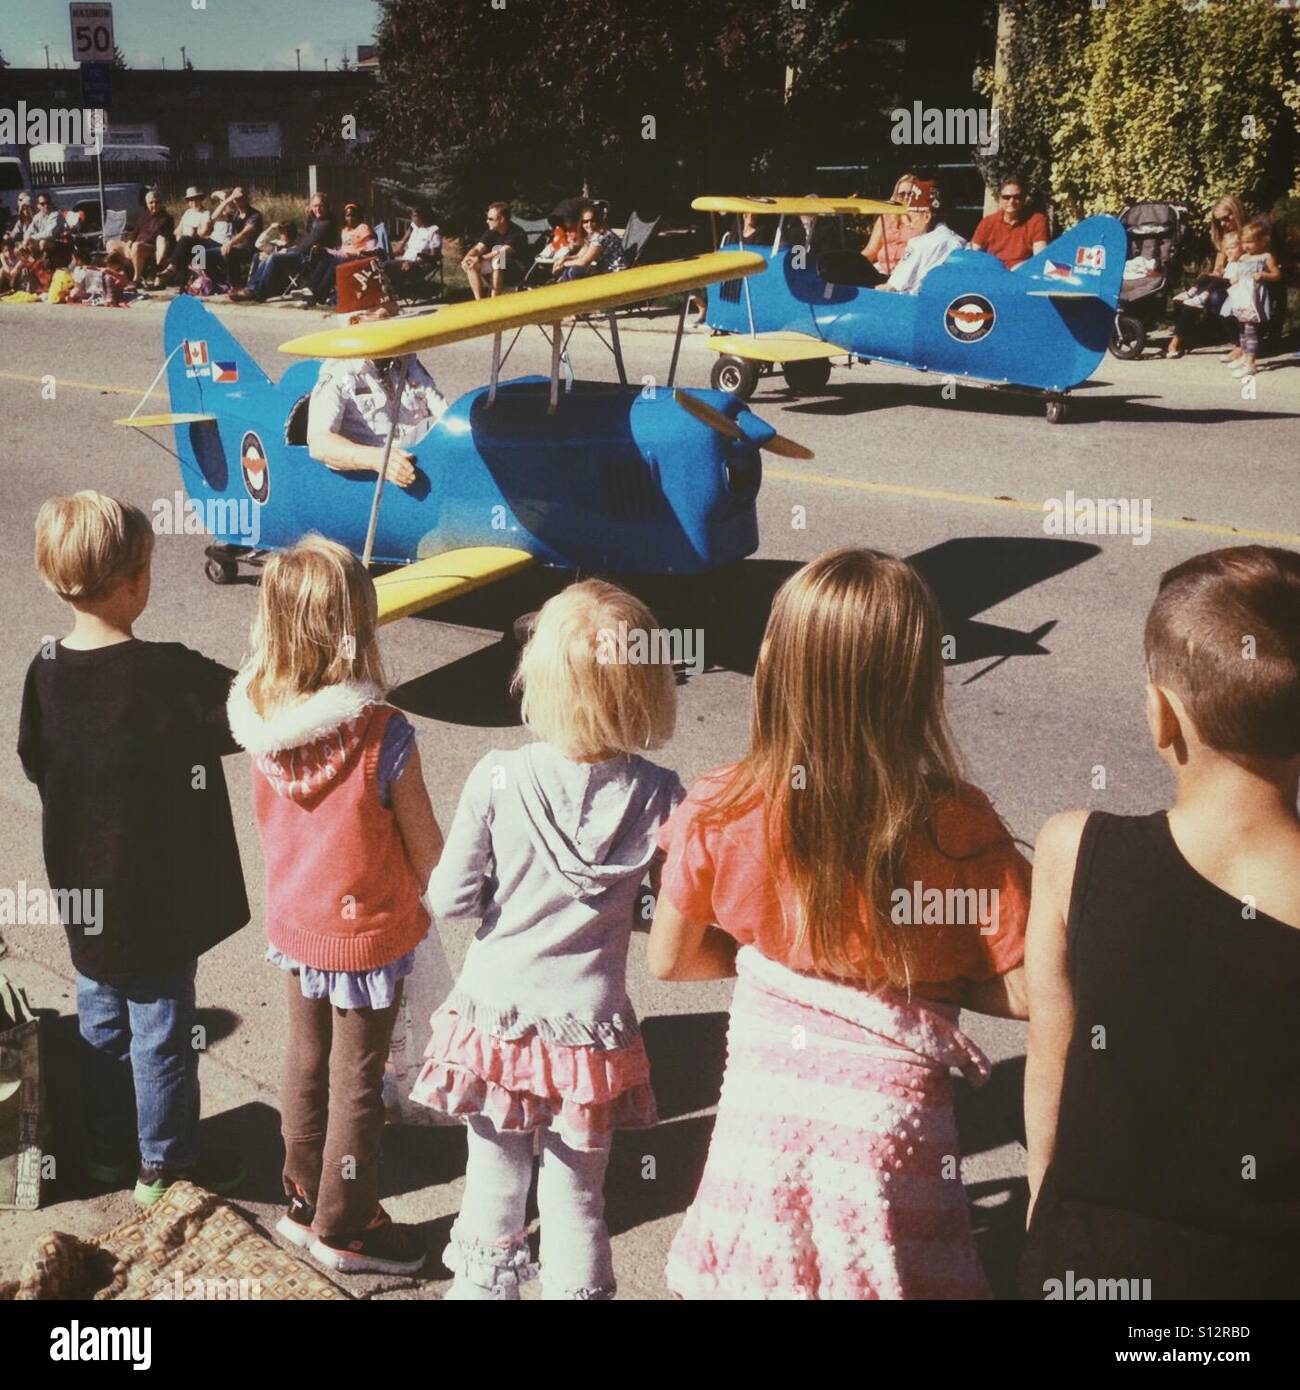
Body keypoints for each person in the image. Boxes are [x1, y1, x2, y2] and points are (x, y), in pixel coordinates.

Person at [649, 548, 1031, 1299]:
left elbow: (671, 959)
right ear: (921, 680)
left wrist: (783, 961)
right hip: (894, 1133)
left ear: (774, 665)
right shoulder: (959, 822)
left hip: (769, 1120)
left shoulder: (722, 804)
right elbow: (1024, 992)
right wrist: (924, 977)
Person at [1022, 546, 1300, 1301]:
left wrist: (1042, 1226)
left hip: (1089, 1263)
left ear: (1161, 715)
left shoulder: (1074, 850)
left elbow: (1051, 1068)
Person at [411, 580, 682, 1299]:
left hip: (496, 1018)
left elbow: (451, 898)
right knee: (578, 1203)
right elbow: (671, 904)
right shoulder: (661, 791)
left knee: (493, 1189)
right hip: (590, 1030)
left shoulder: (499, 774)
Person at [18, 492, 249, 1205]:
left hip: (84, 893)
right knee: (164, 1033)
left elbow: (35, 758)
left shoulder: (45, 667)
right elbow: (247, 713)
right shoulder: (169, 673)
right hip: (158, 899)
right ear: (133, 584)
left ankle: (112, 1154)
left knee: (102, 1026)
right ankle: (167, 1166)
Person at [226, 536, 443, 1275]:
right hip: (370, 938)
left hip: (296, 922)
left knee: (306, 1058)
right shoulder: (383, 733)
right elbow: (429, 851)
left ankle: (300, 1196)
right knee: (360, 1082)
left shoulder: (260, 719)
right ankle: (346, 1225)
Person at [306, 260, 448, 491]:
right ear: (355, 323)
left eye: (396, 314)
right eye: (385, 317)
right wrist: (378, 460)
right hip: (374, 485)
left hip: (423, 468)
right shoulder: (339, 373)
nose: (396, 324)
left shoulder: (406, 361)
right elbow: (319, 442)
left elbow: (443, 414)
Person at [1164, 195, 1249, 359]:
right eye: (1219, 221)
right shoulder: (1226, 236)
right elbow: (1220, 264)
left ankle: (1240, 344)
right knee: (1198, 293)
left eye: (1225, 218)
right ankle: (1176, 340)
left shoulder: (1248, 234)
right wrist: (1217, 271)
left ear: (1236, 212)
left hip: (1242, 281)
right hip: (1226, 279)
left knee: (1213, 295)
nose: (1223, 224)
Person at [818, 172, 926, 287]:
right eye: (901, 194)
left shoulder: (922, 221)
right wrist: (854, 262)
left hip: (905, 275)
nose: (905, 198)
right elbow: (871, 250)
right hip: (881, 272)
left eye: (910, 194)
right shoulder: (885, 218)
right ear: (895, 196)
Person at [230, 191, 338, 302]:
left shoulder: (326, 224)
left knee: (274, 257)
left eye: (321, 206)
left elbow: (308, 244)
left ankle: (258, 292)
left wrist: (289, 249)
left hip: (308, 259)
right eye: (315, 206)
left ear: (326, 206)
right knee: (270, 256)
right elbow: (308, 234)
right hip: (304, 254)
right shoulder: (319, 220)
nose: (318, 209)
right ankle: (250, 288)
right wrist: (311, 215)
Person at [1219, 217, 1281, 381]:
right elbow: (1237, 273)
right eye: (1244, 242)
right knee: (1241, 329)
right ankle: (1244, 357)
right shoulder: (1243, 257)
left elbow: (1277, 274)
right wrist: (1235, 278)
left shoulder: (1265, 257)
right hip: (1241, 296)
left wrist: (1264, 275)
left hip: (1254, 298)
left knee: (1250, 331)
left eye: (1250, 242)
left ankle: (1251, 363)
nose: (1246, 246)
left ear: (1262, 241)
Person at [876, 181, 967, 294]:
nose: (909, 223)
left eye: (909, 217)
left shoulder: (918, 245)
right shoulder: (960, 242)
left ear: (926, 216)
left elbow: (891, 287)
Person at [306, 201, 378, 304]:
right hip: (344, 259)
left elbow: (373, 249)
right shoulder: (345, 231)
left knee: (335, 262)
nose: (350, 218)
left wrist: (357, 254)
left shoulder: (363, 228)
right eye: (347, 215)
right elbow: (342, 251)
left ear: (359, 216)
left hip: (359, 260)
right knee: (326, 258)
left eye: (353, 215)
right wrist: (325, 249)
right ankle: (311, 289)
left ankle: (319, 294)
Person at [970, 176, 1048, 269]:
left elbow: (1039, 258)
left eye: (1017, 197)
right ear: (999, 199)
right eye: (1006, 197)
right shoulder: (988, 222)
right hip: (992, 272)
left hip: (1020, 273)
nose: (1011, 201)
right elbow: (974, 253)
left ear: (1023, 199)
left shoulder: (1037, 221)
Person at [461, 201, 529, 299]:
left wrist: (479, 258)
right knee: (471, 264)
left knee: (497, 258)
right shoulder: (492, 231)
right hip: (498, 267)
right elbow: (478, 248)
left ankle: (494, 299)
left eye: (490, 219)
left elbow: (502, 252)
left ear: (501, 219)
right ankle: (479, 301)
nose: (487, 221)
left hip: (518, 270)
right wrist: (467, 259)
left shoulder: (517, 233)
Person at [108, 189, 175, 285]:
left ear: (161, 203)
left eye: (157, 202)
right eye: (151, 203)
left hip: (150, 249)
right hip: (135, 247)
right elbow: (135, 232)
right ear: (147, 204)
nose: (154, 205)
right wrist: (129, 242)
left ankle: (136, 279)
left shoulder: (166, 218)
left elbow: (163, 239)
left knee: (137, 246)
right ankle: (119, 275)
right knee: (111, 244)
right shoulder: (144, 216)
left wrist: (137, 244)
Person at [150, 185, 212, 287]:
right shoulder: (188, 213)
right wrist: (180, 235)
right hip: (183, 242)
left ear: (201, 199)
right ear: (188, 202)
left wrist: (192, 234)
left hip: (197, 242)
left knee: (185, 239)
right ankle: (161, 279)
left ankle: (171, 268)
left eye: (196, 199)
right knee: (166, 240)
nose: (194, 202)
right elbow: (177, 231)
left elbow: (205, 232)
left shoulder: (205, 213)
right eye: (191, 200)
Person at [381, 203, 444, 293]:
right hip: (406, 260)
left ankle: (396, 292)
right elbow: (401, 244)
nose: (412, 218)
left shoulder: (434, 231)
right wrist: (389, 253)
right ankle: (394, 291)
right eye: (411, 215)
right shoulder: (413, 227)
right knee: (379, 264)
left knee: (385, 266)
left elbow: (433, 257)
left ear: (423, 216)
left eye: (414, 216)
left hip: (420, 264)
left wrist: (413, 263)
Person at [555, 202, 625, 280]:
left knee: (574, 271)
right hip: (605, 269)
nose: (589, 224)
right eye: (586, 221)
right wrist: (563, 259)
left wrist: (563, 265)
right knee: (570, 271)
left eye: (593, 221)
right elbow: (579, 256)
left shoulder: (601, 236)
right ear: (581, 223)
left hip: (617, 271)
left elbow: (584, 262)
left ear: (598, 221)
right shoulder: (591, 236)